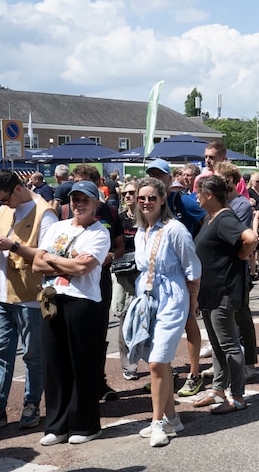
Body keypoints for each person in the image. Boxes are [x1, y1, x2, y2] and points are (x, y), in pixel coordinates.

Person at [32, 180, 111, 446]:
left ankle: (86, 425)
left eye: (84, 200)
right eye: (74, 199)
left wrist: (52, 259)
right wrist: (64, 262)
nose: (78, 204)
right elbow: (36, 263)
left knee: (82, 365)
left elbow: (82, 269)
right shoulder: (56, 227)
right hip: (53, 300)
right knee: (54, 364)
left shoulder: (99, 233)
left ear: (95, 203)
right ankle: (56, 425)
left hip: (83, 302)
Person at [129, 177, 201, 447]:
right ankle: (172, 418)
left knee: (158, 361)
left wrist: (193, 302)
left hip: (173, 297)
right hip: (148, 298)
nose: (146, 202)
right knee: (158, 360)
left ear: (162, 200)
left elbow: (192, 269)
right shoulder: (140, 232)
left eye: (151, 197)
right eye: (141, 198)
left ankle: (156, 421)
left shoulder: (175, 230)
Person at [0, 170, 58, 429]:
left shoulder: (45, 212)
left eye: (4, 199)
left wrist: (13, 246)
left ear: (17, 189)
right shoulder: (5, 208)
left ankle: (31, 404)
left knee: (33, 356)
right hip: (0, 293)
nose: (1, 204)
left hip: (30, 297)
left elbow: (48, 258)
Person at [192, 176, 257, 413]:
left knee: (229, 345)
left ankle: (238, 396)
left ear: (210, 195)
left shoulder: (225, 218)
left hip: (223, 291)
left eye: (198, 192)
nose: (196, 196)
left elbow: (250, 237)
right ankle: (218, 390)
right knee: (218, 345)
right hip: (210, 291)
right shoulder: (211, 219)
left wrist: (243, 253)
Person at [145, 159, 206, 398]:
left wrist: (197, 248)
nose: (156, 179)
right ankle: (164, 373)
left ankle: (194, 374)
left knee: (190, 320)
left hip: (182, 273)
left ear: (170, 179)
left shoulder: (184, 201)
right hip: (158, 275)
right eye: (152, 174)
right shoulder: (150, 204)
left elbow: (206, 221)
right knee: (158, 327)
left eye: (161, 175)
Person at [69, 164, 125, 402]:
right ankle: (74, 385)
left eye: (85, 191)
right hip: (70, 282)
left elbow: (121, 246)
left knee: (98, 332)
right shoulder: (65, 213)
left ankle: (97, 381)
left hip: (100, 281)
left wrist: (110, 256)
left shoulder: (111, 212)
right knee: (70, 336)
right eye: (75, 193)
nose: (79, 199)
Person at [113, 181, 142, 380]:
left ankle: (158, 363)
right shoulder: (119, 218)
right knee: (124, 318)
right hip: (123, 274)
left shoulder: (147, 218)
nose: (128, 196)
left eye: (132, 192)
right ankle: (128, 366)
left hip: (142, 272)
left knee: (146, 317)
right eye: (125, 194)